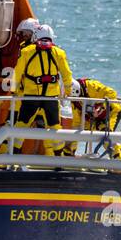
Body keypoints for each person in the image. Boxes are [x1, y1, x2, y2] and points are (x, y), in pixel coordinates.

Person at [11, 24, 73, 156]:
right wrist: (68, 92)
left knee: (21, 125)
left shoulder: (26, 51)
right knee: (55, 127)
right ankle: (58, 159)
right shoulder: (59, 53)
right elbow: (67, 75)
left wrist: (14, 91)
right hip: (51, 98)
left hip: (30, 97)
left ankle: (13, 157)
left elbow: (17, 73)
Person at [69, 77, 121, 158]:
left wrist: (101, 107)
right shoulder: (74, 100)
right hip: (95, 118)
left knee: (106, 136)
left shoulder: (91, 85)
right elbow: (77, 122)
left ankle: (120, 160)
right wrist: (72, 146)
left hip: (111, 112)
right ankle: (69, 155)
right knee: (77, 132)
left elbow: (112, 93)